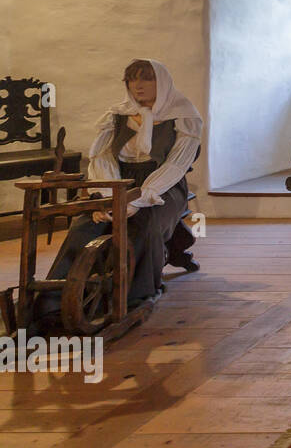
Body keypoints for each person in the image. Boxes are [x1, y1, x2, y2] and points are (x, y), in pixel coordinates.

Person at [33, 59, 203, 327]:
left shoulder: (183, 114)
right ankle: (54, 301)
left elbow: (175, 165)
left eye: (147, 79)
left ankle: (134, 295)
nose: (138, 85)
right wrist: (107, 195)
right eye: (132, 79)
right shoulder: (117, 115)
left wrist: (140, 199)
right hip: (117, 182)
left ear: (163, 82)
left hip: (162, 186)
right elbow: (102, 159)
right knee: (84, 225)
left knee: (144, 225)